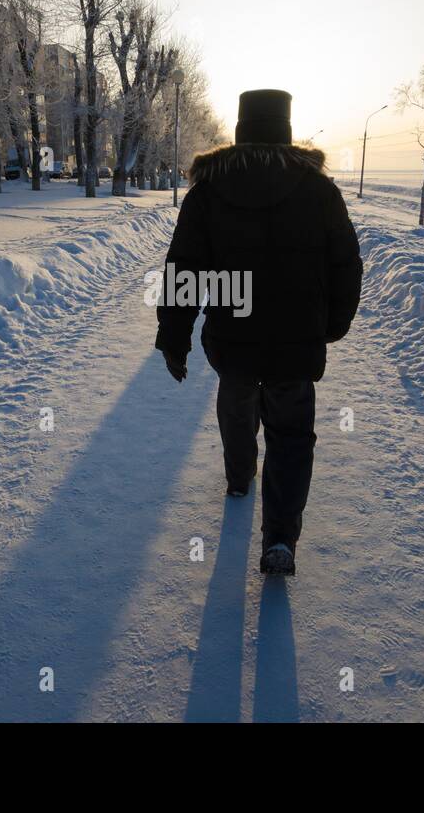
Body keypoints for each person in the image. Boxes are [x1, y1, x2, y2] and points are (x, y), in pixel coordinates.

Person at [154, 89, 362, 576]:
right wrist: (334, 322)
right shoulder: (318, 189)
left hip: (233, 336)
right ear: (287, 130)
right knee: (291, 435)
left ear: (240, 130)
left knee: (237, 395)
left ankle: (239, 476)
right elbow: (346, 263)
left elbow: (185, 269)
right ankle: (280, 540)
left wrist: (175, 338)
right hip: (296, 339)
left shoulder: (208, 190)